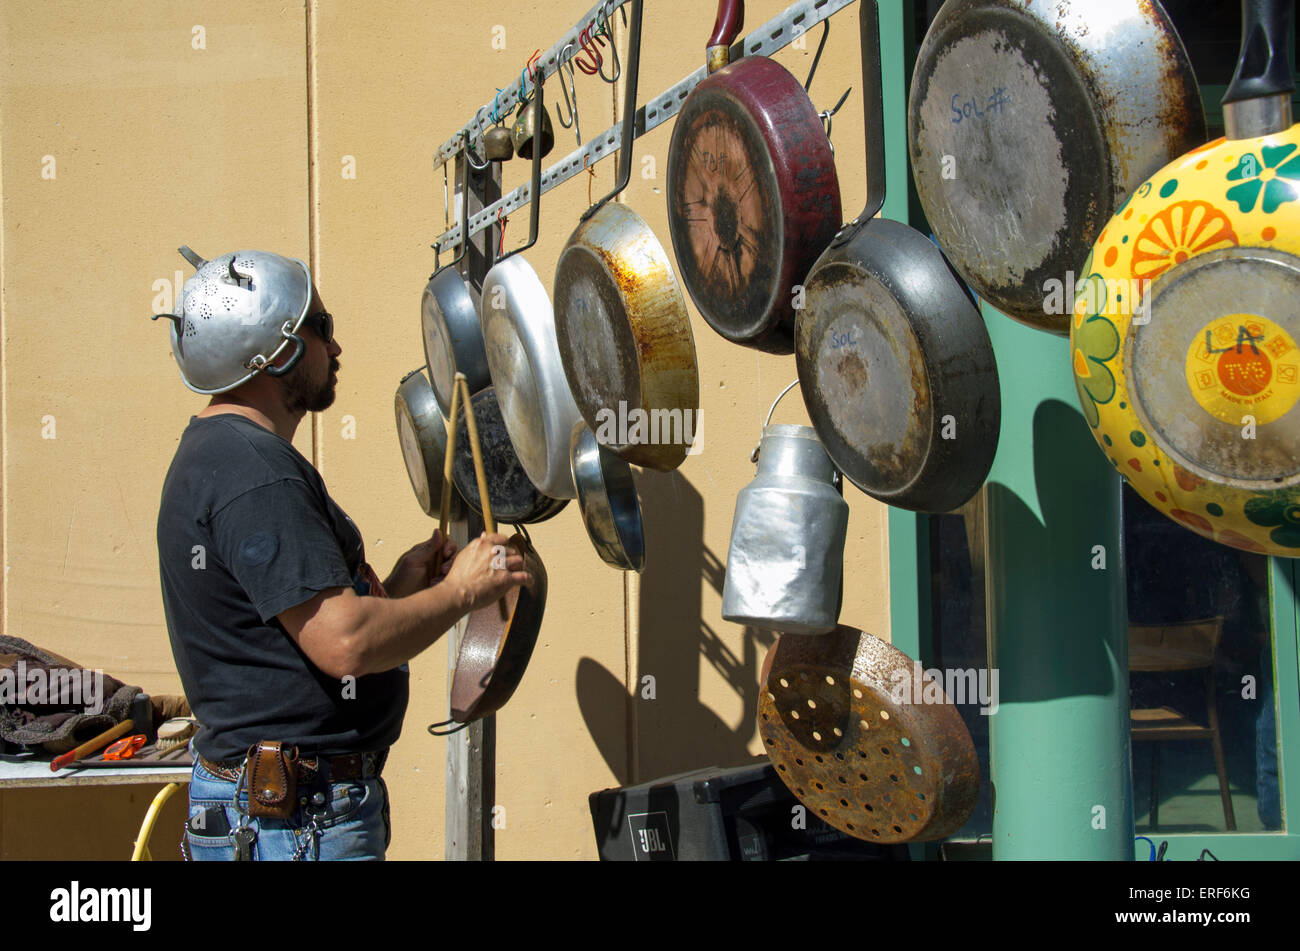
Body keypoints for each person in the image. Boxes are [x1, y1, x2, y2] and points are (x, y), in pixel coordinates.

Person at [153, 246, 529, 860]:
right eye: (321, 329)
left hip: (272, 812)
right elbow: (345, 643)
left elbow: (289, 637)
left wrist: (405, 589)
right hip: (293, 821)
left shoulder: (218, 455)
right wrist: (460, 591)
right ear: (276, 352)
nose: (336, 347)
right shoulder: (256, 473)